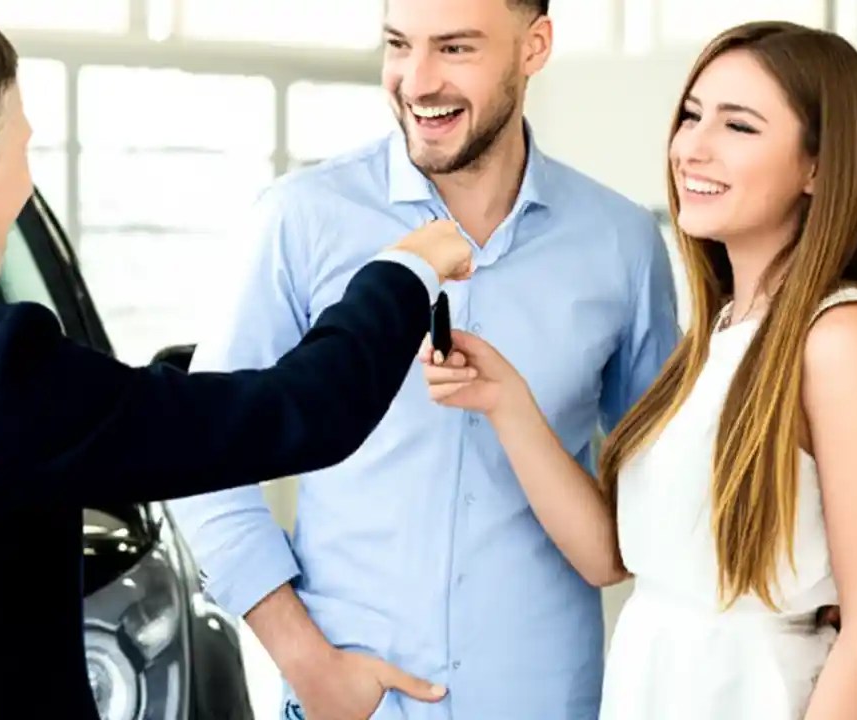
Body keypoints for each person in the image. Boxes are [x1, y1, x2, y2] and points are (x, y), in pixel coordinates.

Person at [0, 2, 475, 719]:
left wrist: (177, 379)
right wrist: (406, 267)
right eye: (19, 150)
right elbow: (302, 414)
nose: (24, 181)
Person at [167, 0, 680, 717]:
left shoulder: (621, 244)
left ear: (534, 48)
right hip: (351, 699)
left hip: (544, 696)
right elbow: (197, 458)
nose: (416, 80)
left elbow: (660, 505)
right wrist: (305, 661)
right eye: (399, 45)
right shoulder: (301, 217)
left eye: (455, 49)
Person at [423, 20, 857, 720]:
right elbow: (617, 558)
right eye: (692, 116)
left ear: (819, 166)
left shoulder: (841, 335)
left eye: (739, 126)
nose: (692, 146)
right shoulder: (721, 334)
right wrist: (505, 401)